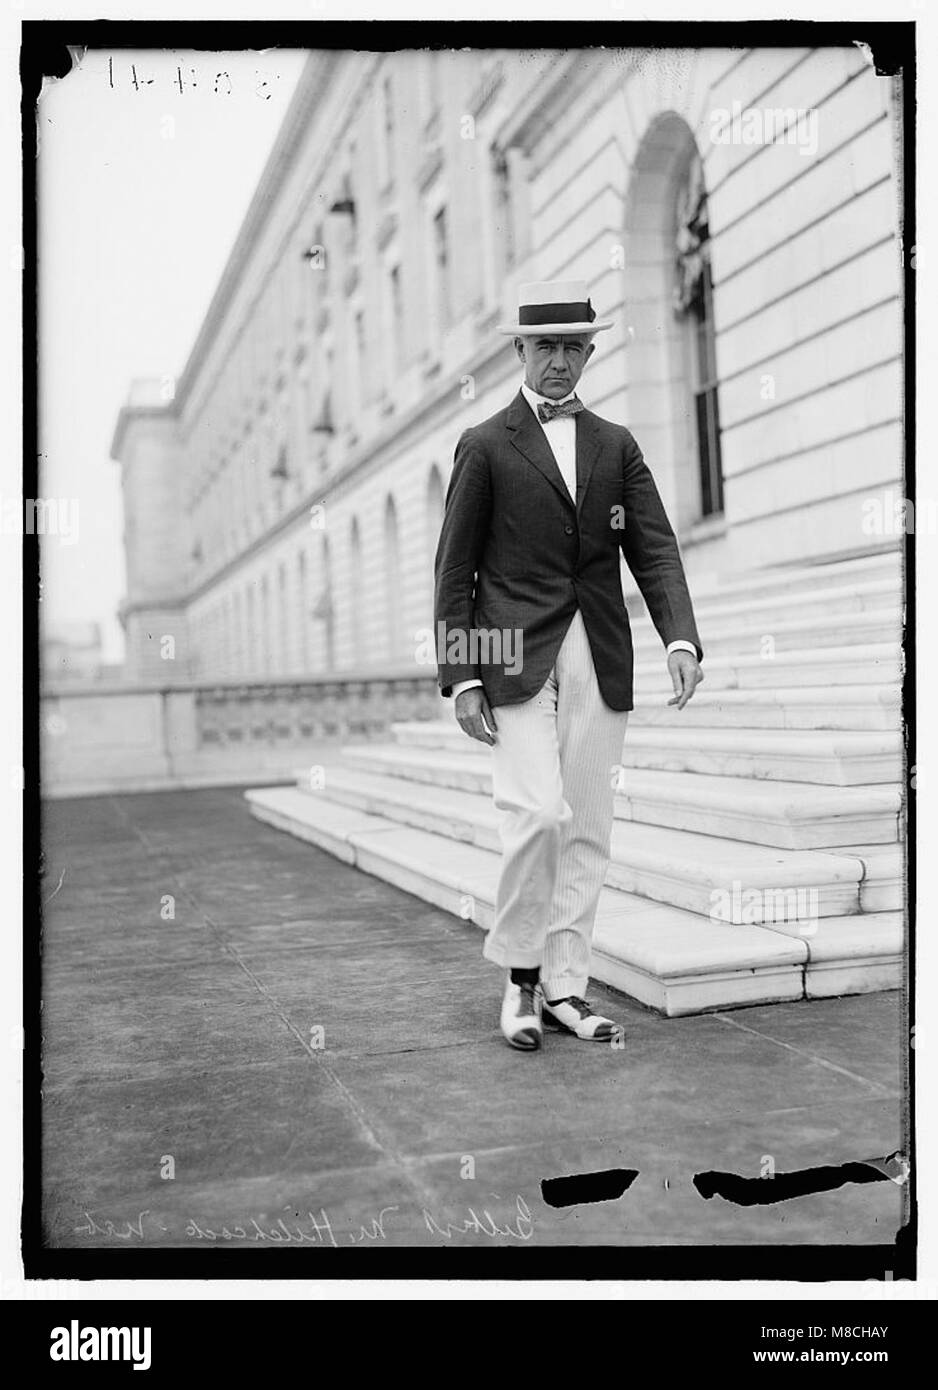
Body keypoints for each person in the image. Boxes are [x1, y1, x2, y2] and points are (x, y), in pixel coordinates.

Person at [434, 280, 704, 1051]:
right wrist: (464, 675)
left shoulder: (616, 444)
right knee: (537, 815)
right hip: (513, 657)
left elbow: (653, 546)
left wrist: (679, 639)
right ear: (519, 350)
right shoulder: (484, 444)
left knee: (586, 827)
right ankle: (520, 978)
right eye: (545, 347)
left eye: (573, 348)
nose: (559, 362)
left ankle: (566, 989)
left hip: (600, 654)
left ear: (591, 352)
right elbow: (456, 571)